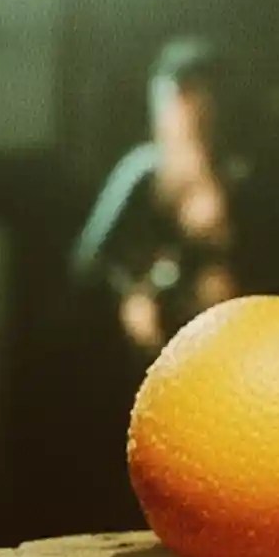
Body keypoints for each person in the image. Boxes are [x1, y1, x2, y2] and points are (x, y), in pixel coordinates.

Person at [71, 36, 253, 357]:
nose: (183, 109)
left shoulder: (241, 178)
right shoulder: (142, 173)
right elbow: (91, 263)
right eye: (176, 96)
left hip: (224, 348)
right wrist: (131, 297)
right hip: (150, 347)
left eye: (195, 94)